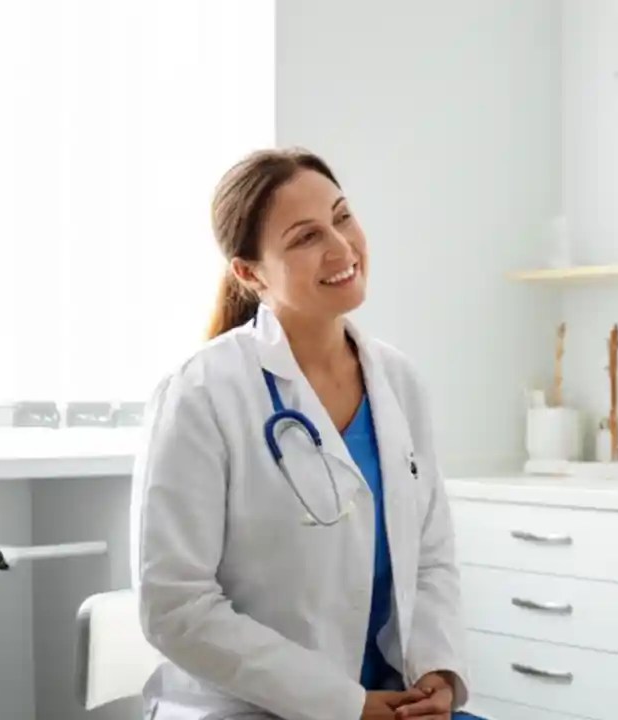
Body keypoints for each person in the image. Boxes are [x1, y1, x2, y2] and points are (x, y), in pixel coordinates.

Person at [131, 148, 483, 720]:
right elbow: (176, 606)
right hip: (252, 708)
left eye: (342, 216)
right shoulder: (199, 394)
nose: (342, 249)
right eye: (305, 237)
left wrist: (438, 671)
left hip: (393, 700)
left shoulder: (399, 382)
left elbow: (431, 560)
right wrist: (345, 705)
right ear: (249, 273)